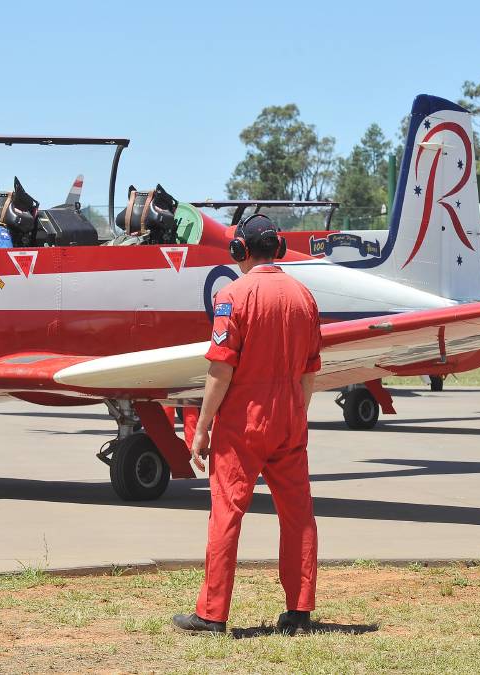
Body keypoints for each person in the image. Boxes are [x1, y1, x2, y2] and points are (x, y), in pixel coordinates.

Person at [172, 214, 322, 636]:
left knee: (226, 514)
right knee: (298, 516)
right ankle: (299, 611)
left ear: (240, 251)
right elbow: (311, 369)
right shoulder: (305, 297)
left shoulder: (231, 295)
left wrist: (201, 428)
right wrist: (296, 411)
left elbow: (220, 370)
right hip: (290, 418)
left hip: (244, 423)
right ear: (276, 249)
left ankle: (212, 614)